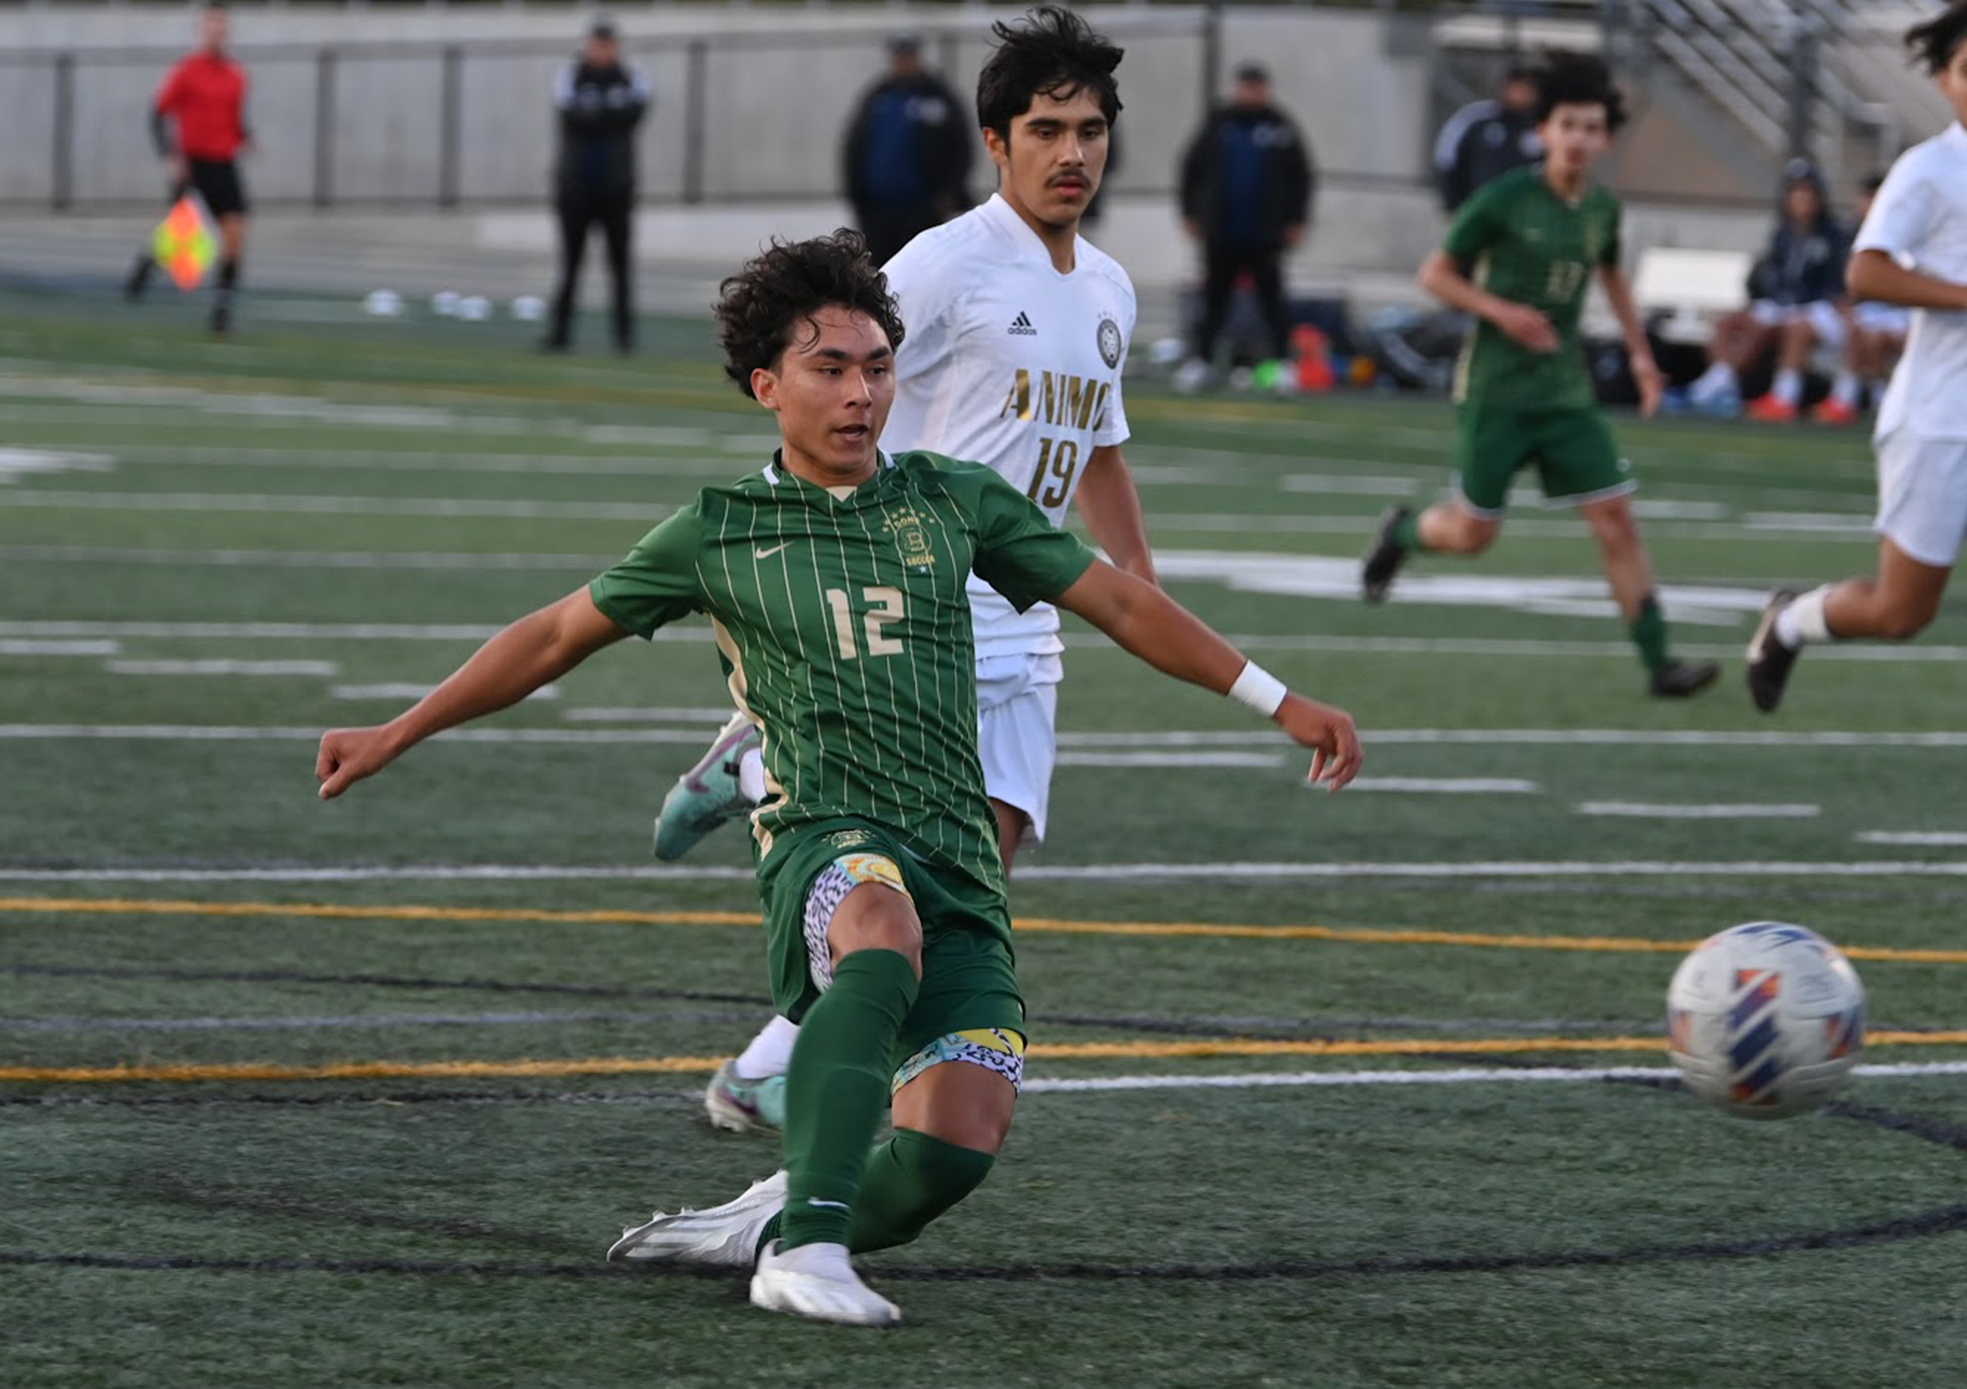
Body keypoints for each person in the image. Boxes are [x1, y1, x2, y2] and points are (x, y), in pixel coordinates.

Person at [315, 230, 1363, 1327]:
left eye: (876, 367)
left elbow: (1120, 601)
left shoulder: (950, 499)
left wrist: (1277, 700)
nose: (860, 392)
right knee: (876, 926)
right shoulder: (717, 531)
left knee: (952, 1151)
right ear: (766, 386)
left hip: (956, 851)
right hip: (824, 833)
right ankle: (806, 1252)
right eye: (829, 368)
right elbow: (549, 637)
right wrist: (399, 729)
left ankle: (771, 1218)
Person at [654, 5, 1154, 1138]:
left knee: (985, 870)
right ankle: (768, 763)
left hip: (1032, 622)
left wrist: (1141, 579)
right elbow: (828, 375)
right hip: (921, 606)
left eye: (1089, 129)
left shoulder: (1111, 290)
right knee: (912, 887)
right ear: (996, 140)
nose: (1071, 151)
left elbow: (1101, 445)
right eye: (1045, 128)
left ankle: (757, 1053)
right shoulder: (942, 265)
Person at [1358, 51, 1720, 701]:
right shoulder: (1503, 199)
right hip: (1497, 389)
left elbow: (1612, 278)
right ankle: (1403, 532)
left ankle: (1662, 662)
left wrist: (1641, 357)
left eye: (1590, 128)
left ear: (1605, 138)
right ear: (1545, 131)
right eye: (1567, 125)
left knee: (1616, 520)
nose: (1578, 139)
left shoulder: (1602, 211)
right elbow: (1435, 275)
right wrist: (1503, 312)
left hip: (1564, 391)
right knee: (1472, 535)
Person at [1745, 0, 1967, 839]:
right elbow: (1866, 273)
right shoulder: (1932, 171)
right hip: (1938, 418)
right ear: (1943, 80)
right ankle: (1789, 620)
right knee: (1900, 613)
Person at [1171, 61, 1314, 392]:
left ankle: (1282, 364)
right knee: (1213, 301)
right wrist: (1190, 213)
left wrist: (1297, 220)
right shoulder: (1219, 123)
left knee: (1272, 302)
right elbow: (1191, 167)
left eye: (1257, 87)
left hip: (1264, 235)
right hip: (1222, 232)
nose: (1252, 93)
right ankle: (1201, 362)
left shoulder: (1280, 127)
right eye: (1246, 86)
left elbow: (1301, 177)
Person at [1679, 159, 1851, 421]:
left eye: (1807, 193)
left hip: (1819, 309)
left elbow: (1835, 286)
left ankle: (1782, 396)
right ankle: (1723, 384)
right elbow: (1768, 278)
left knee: (1794, 327)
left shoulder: (1834, 235)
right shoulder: (1782, 233)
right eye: (1795, 193)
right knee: (1729, 323)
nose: (1800, 199)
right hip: (1782, 306)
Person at [122, 2, 252, 336]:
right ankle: (148, 263)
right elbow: (157, 112)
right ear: (201, 29)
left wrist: (245, 136)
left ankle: (221, 313)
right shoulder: (187, 71)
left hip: (224, 163)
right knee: (183, 243)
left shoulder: (236, 75)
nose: (216, 30)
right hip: (193, 164)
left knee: (235, 235)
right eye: (211, 24)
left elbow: (234, 119)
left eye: (221, 25)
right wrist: (170, 155)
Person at [542, 17, 651, 354]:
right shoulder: (571, 76)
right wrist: (605, 114)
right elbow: (573, 118)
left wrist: (598, 113)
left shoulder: (632, 77)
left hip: (616, 188)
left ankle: (623, 338)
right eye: (597, 44)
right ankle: (559, 335)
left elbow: (630, 117)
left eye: (607, 44)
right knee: (570, 263)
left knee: (619, 265)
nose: (602, 50)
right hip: (576, 188)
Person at [840, 33, 975, 264]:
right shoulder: (878, 96)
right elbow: (855, 145)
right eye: (898, 57)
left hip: (921, 209)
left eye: (908, 56)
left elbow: (960, 146)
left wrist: (949, 193)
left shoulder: (937, 96)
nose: (903, 62)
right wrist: (856, 194)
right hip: (879, 211)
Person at [1813, 171, 1912, 426]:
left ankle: (1882, 400)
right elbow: (1837, 284)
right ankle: (1847, 398)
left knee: (1876, 335)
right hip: (1863, 310)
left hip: (1900, 311)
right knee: (1857, 328)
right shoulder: (1846, 236)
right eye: (1867, 197)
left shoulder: (1908, 234)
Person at [1434, 64, 1543, 214]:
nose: (1522, 94)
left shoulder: (1543, 127)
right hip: (1479, 212)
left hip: (1524, 218)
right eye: (1517, 87)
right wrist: (1453, 205)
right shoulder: (1476, 118)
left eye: (1527, 89)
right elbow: (1447, 160)